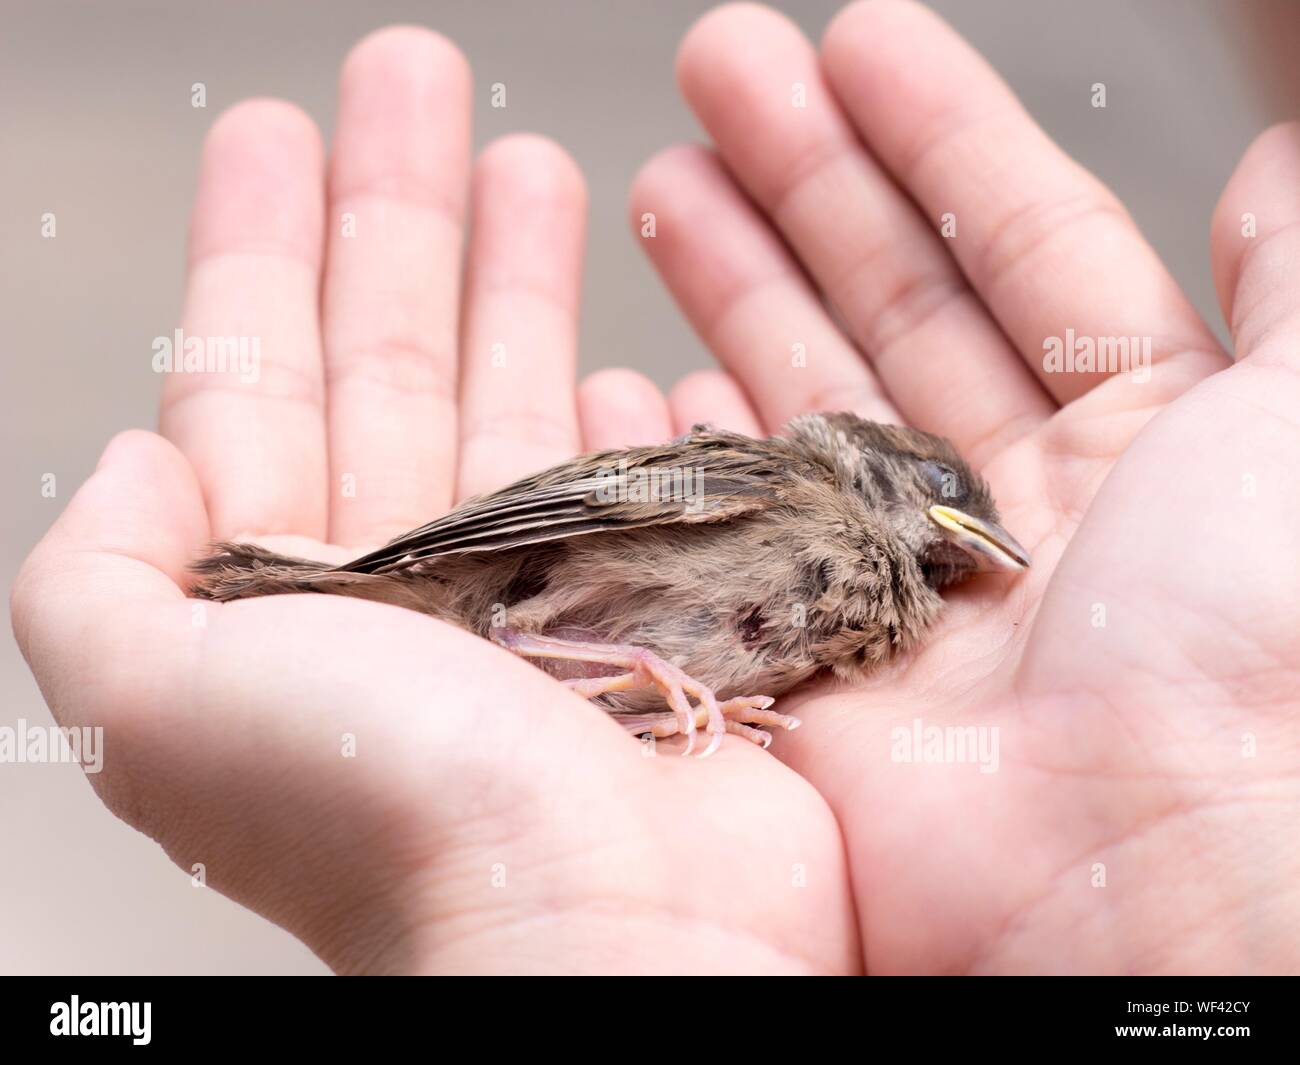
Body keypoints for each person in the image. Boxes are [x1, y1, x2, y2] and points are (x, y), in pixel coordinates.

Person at [13, 1, 1300, 973]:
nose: (962, 538)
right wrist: (383, 581)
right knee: (508, 613)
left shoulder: (884, 603)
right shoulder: (795, 490)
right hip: (508, 588)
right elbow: (593, 505)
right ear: (876, 471)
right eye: (942, 497)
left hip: (571, 644)